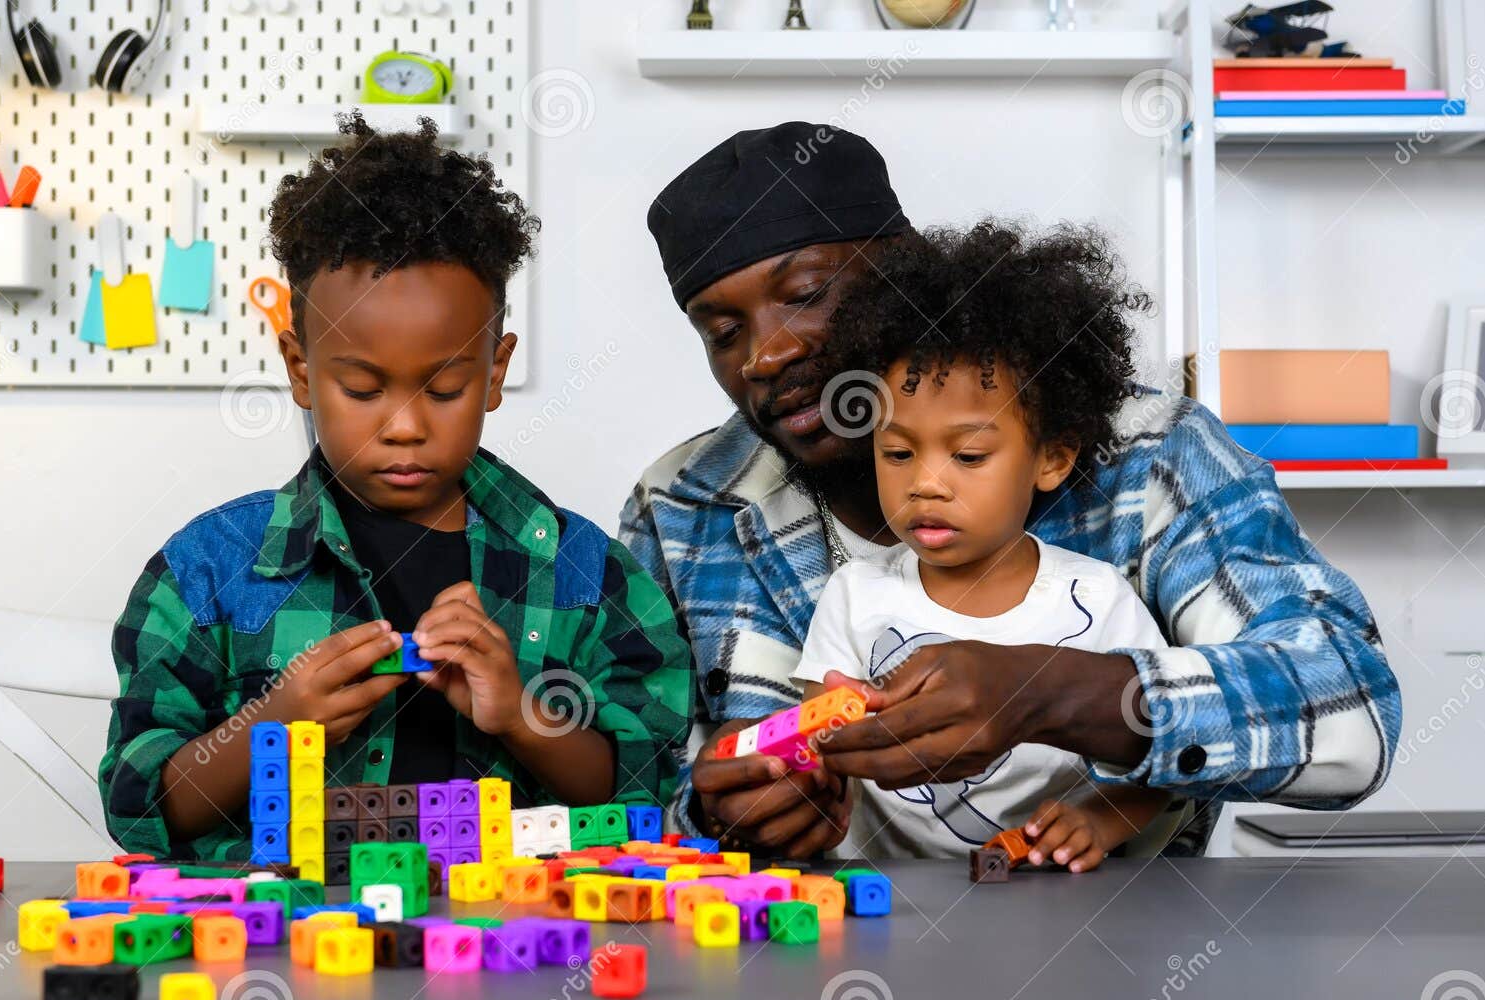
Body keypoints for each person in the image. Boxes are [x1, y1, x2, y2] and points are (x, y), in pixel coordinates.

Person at [621, 121, 1399, 858]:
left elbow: (1353, 707)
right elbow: (629, 799)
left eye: (806, 292)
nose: (765, 353)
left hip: (1127, 957)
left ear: (902, 271)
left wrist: (1057, 693)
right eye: (723, 332)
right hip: (818, 966)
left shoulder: (1149, 454)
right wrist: (715, 814)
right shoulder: (683, 508)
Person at [99, 113, 693, 860]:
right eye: (363, 388)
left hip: (516, 950)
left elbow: (644, 793)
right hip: (285, 957)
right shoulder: (209, 570)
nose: (405, 426)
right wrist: (271, 724)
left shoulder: (586, 573)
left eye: (445, 388)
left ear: (495, 372)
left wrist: (519, 714)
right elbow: (140, 804)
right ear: (301, 370)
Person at [787, 223, 1182, 870]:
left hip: (1055, 909)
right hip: (893, 915)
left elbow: (1159, 747)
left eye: (968, 454)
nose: (926, 483)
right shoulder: (856, 594)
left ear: (1052, 458)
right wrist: (821, 742)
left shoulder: (1095, 599)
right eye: (897, 452)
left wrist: (1099, 820)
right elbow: (818, 755)